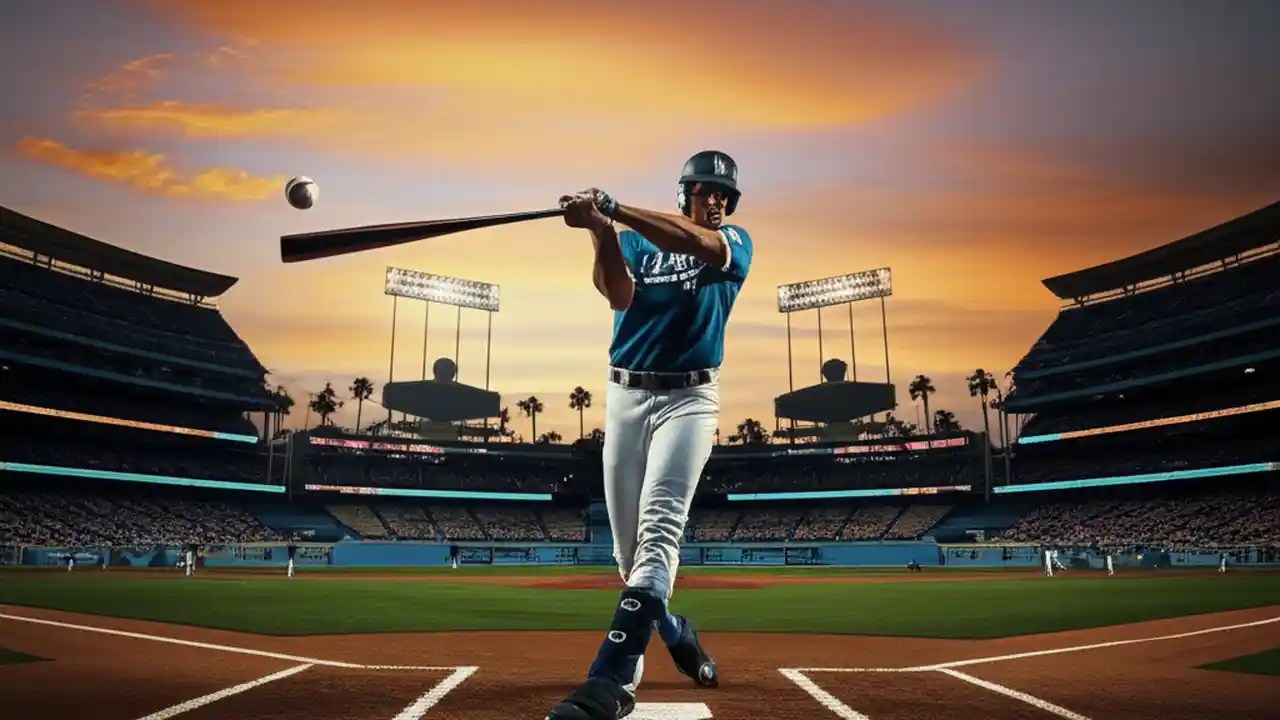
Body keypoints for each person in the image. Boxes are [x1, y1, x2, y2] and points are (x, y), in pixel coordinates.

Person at [546, 150, 752, 720]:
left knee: (661, 530)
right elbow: (616, 294)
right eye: (705, 191)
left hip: (689, 398)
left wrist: (617, 209)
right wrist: (599, 230)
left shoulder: (734, 242)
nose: (716, 201)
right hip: (625, 396)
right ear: (684, 192)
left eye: (723, 195)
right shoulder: (636, 241)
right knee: (625, 553)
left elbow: (701, 246)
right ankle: (675, 631)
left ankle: (612, 681)